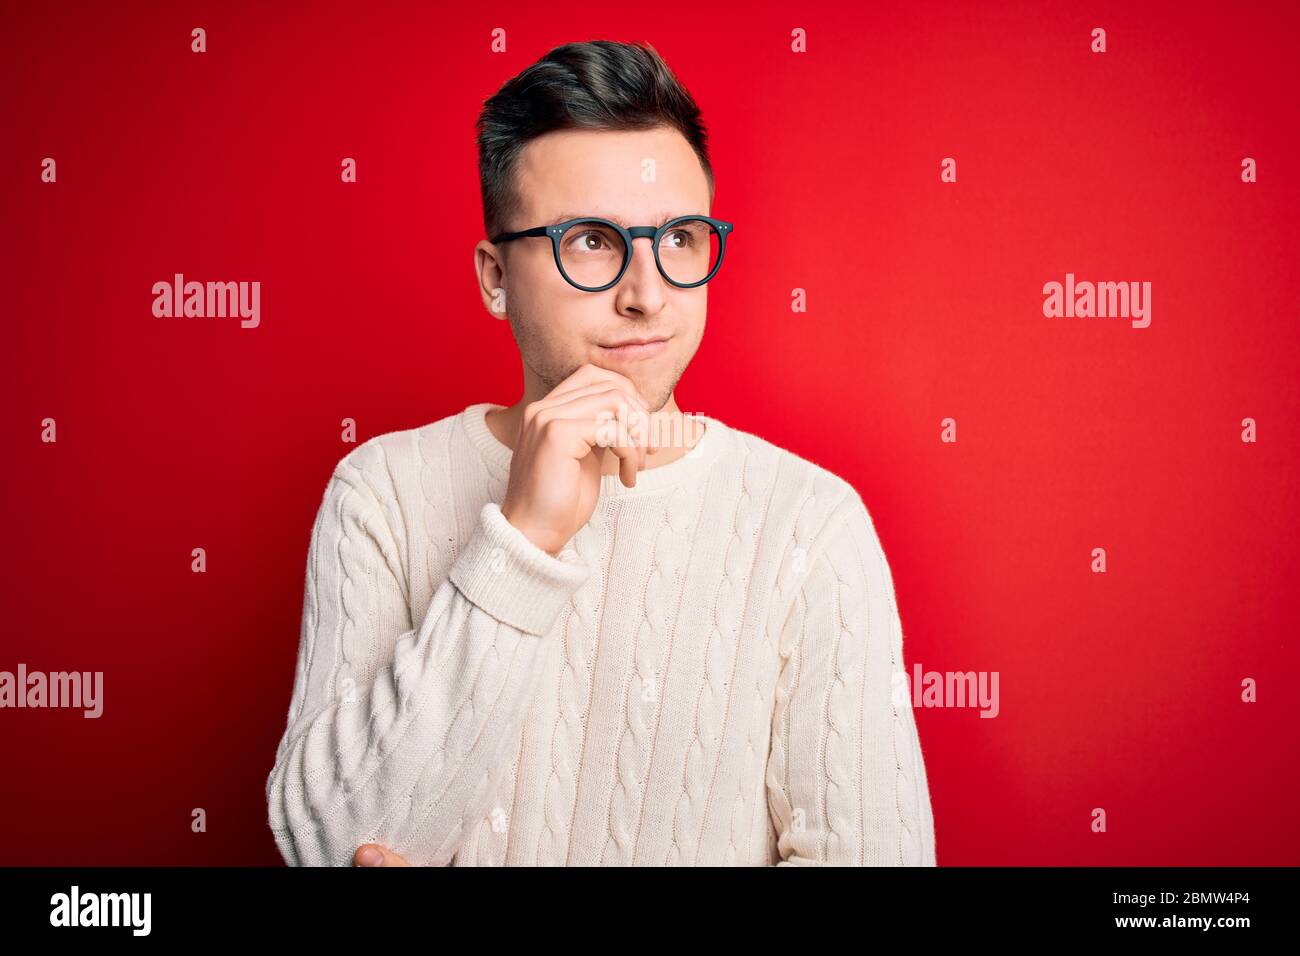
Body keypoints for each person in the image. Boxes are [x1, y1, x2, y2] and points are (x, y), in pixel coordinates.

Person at [265, 38, 936, 867]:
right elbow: (329, 845)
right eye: (590, 240)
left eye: (680, 239)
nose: (648, 294)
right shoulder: (380, 492)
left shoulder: (810, 524)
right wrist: (522, 541)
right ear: (493, 276)